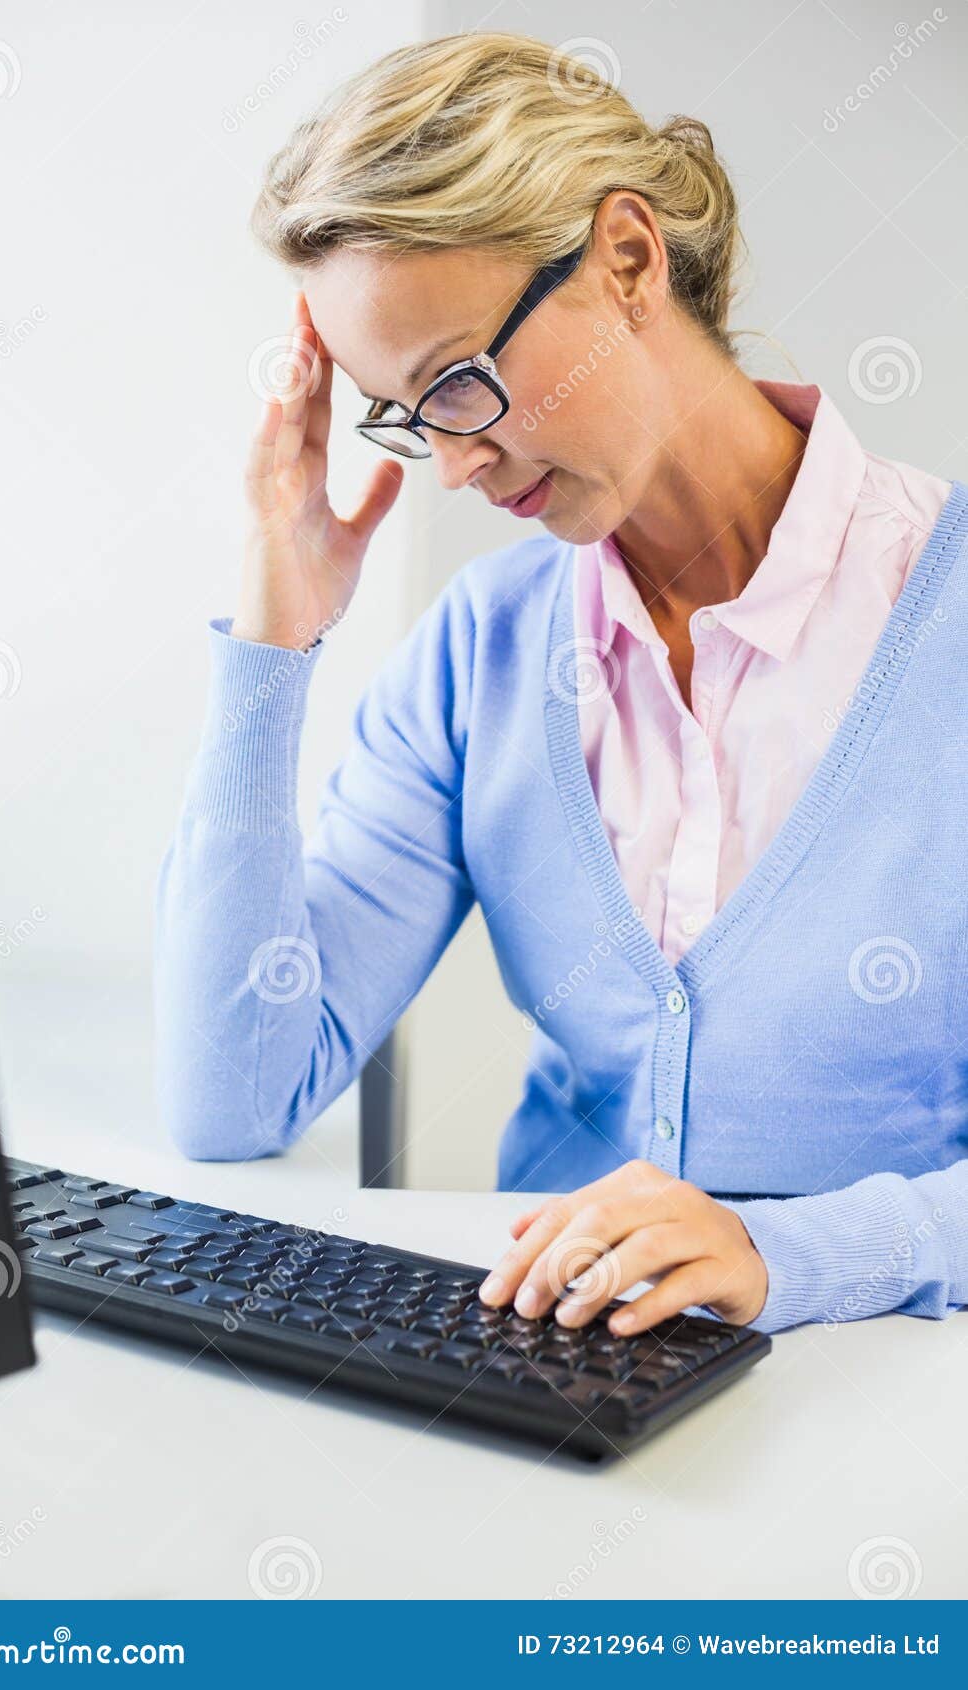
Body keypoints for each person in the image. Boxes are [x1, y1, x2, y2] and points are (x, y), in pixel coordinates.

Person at [153, 31, 968, 1339]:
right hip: (547, 1390)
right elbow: (230, 1094)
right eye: (405, 416)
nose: (456, 469)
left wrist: (787, 1250)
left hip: (881, 1427)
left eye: (460, 383)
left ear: (629, 261)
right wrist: (272, 640)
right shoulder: (480, 655)